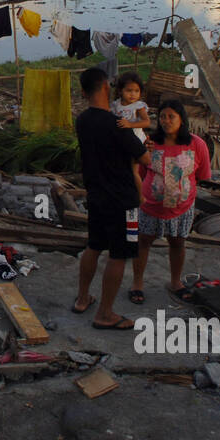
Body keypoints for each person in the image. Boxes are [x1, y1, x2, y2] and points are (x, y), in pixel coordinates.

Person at [73, 66, 150, 329]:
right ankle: (105, 314)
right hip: (123, 201)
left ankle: (82, 299)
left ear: (84, 92)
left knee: (94, 246)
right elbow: (145, 158)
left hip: (96, 195)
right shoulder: (118, 124)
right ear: (107, 87)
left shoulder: (82, 121)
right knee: (119, 254)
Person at [129, 98, 211, 304]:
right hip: (149, 207)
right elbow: (139, 172)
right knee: (143, 242)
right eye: (163, 116)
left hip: (182, 208)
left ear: (181, 119)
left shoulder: (197, 144)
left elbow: (201, 175)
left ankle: (175, 282)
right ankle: (137, 284)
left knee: (177, 243)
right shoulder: (150, 143)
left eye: (171, 116)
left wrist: (181, 191)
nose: (166, 121)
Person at [111, 71, 151, 203]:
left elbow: (146, 122)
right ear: (121, 90)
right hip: (121, 141)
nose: (133, 94)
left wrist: (130, 124)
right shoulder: (116, 105)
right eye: (129, 90)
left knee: (134, 171)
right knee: (122, 169)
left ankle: (140, 197)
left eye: (136, 91)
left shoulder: (138, 106)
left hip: (135, 141)